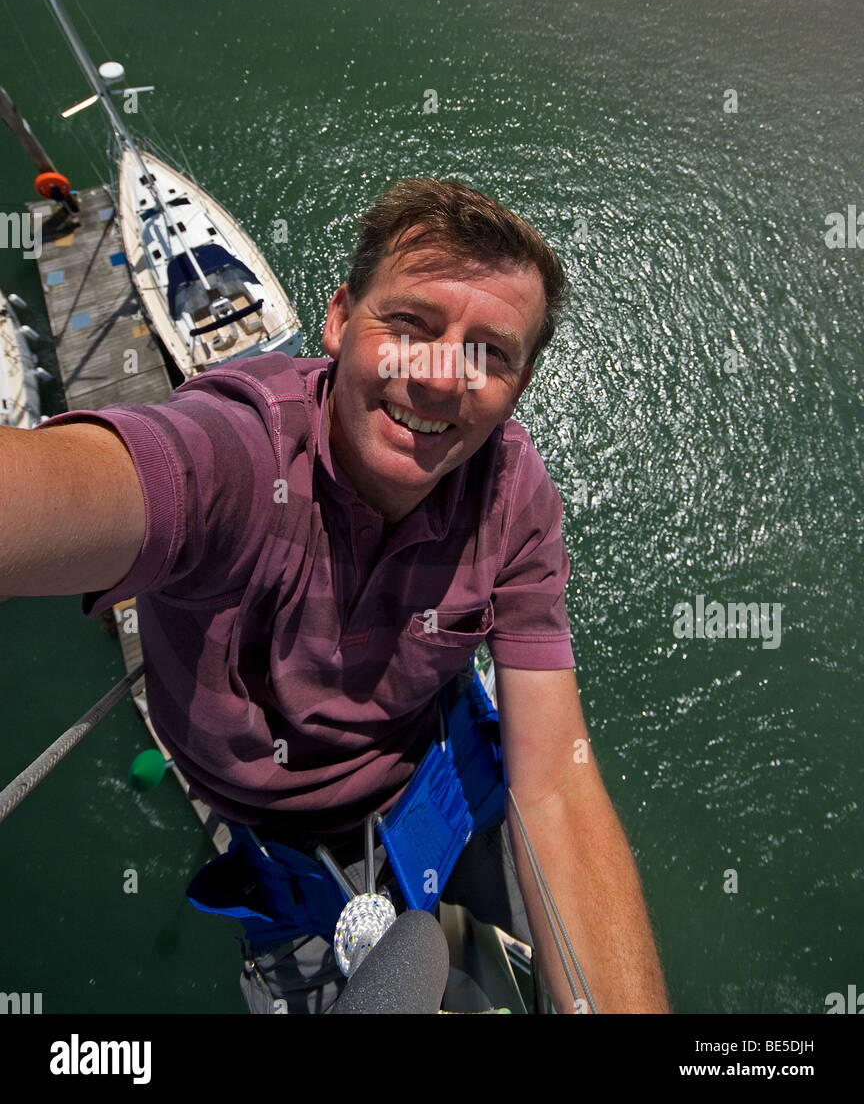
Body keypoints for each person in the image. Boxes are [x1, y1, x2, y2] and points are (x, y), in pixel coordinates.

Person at [0, 177, 670, 1014]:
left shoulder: (512, 493)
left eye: (488, 353)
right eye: (409, 324)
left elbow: (559, 787)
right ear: (339, 321)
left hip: (428, 778)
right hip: (276, 832)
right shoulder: (236, 459)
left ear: (520, 387)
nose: (438, 380)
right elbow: (85, 489)